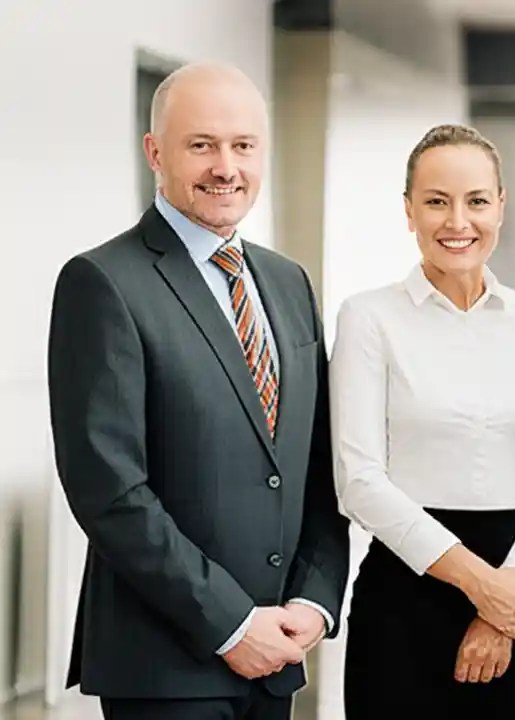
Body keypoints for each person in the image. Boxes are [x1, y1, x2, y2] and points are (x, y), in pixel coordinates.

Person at [46, 62, 350, 719]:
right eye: (201, 145)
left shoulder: (288, 282)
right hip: (164, 667)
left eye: (243, 145)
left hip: (277, 655)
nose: (226, 167)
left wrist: (313, 601)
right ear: (155, 153)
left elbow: (315, 465)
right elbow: (109, 491)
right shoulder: (103, 282)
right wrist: (232, 623)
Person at [331, 124, 515, 719]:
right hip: (404, 595)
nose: (457, 221)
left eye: (476, 201)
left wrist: (504, 601)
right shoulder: (369, 318)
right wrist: (479, 585)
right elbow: (358, 480)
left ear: (501, 206)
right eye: (437, 202)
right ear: (409, 211)